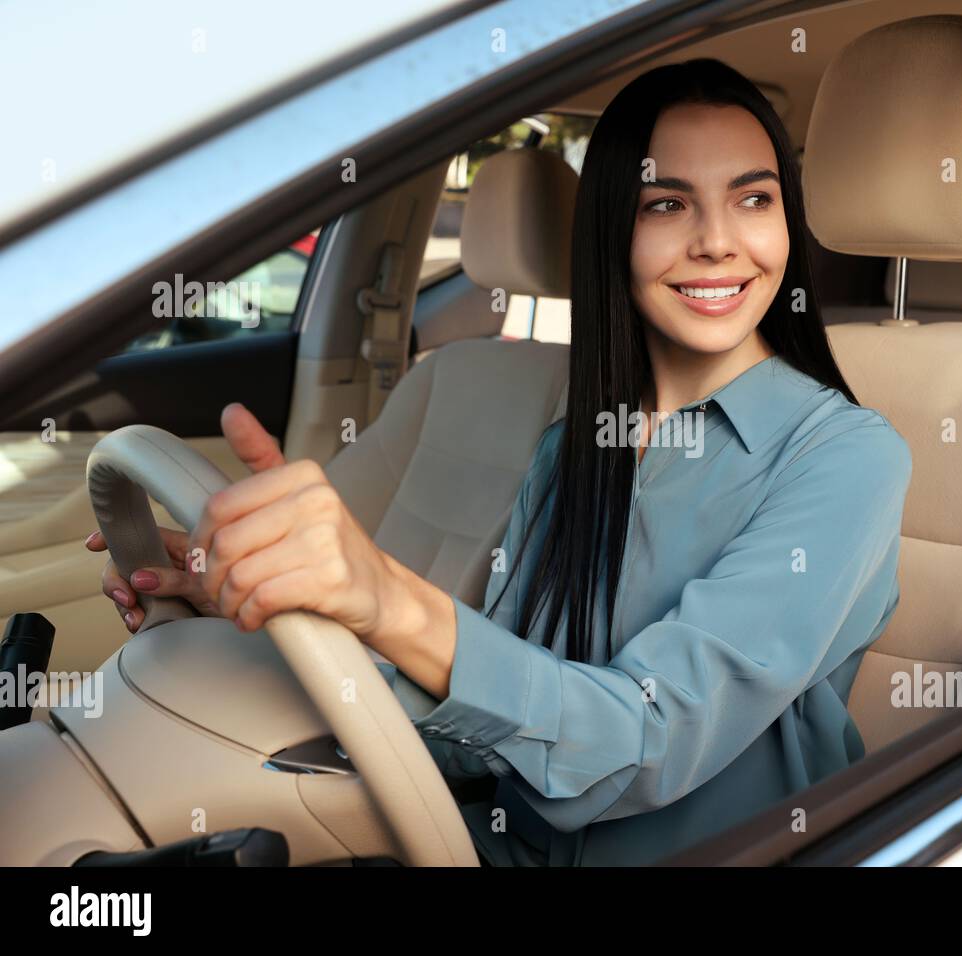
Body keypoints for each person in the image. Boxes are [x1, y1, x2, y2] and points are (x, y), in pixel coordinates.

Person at [87, 58, 911, 866]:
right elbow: (498, 724)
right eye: (668, 204)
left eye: (753, 199)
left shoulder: (848, 461)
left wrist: (382, 593)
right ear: (613, 232)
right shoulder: (575, 444)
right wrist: (267, 604)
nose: (718, 243)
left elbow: (646, 741)